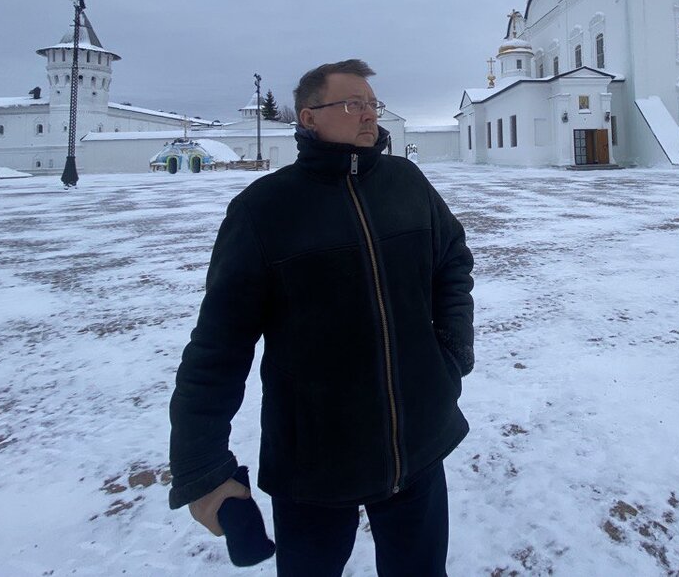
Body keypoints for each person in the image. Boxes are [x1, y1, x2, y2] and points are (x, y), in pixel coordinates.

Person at [169, 59, 475, 576]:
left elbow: (453, 262)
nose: (369, 115)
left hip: (419, 442)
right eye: (353, 103)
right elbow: (218, 346)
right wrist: (201, 466)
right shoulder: (263, 210)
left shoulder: (406, 182)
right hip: (314, 460)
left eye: (373, 104)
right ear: (309, 118)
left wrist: (450, 352)